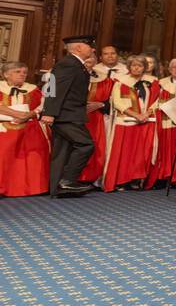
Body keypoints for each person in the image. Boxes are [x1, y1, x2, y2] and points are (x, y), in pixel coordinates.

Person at [40, 35, 97, 197]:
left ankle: (57, 188)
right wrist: (49, 112)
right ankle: (67, 181)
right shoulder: (69, 64)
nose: (92, 49)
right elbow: (52, 87)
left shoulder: (74, 64)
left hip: (68, 114)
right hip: (66, 115)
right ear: (79, 48)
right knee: (86, 144)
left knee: (62, 152)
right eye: (89, 46)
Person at [102, 54, 157, 191]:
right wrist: (135, 115)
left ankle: (135, 179)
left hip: (145, 121)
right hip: (125, 122)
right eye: (134, 65)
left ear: (144, 68)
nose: (137, 68)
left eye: (140, 66)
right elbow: (117, 102)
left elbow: (157, 100)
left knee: (140, 154)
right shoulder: (120, 81)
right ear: (129, 67)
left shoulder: (152, 81)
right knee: (124, 153)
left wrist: (146, 113)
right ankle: (121, 180)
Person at [0, 61, 49, 197]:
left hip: (29, 126)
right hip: (3, 126)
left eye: (24, 73)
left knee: (35, 152)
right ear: (6, 74)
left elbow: (42, 106)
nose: (22, 75)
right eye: (18, 72)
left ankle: (33, 188)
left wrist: (29, 115)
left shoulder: (32, 89)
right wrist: (18, 114)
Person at [84, 44, 125, 185]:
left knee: (107, 146)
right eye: (106, 54)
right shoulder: (94, 70)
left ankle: (105, 177)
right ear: (101, 57)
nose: (110, 56)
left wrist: (103, 105)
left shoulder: (125, 71)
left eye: (113, 53)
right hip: (89, 116)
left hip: (111, 113)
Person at [146, 57, 176, 189]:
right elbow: (153, 102)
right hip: (166, 122)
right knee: (165, 151)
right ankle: (165, 176)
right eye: (174, 67)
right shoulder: (160, 84)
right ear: (169, 70)